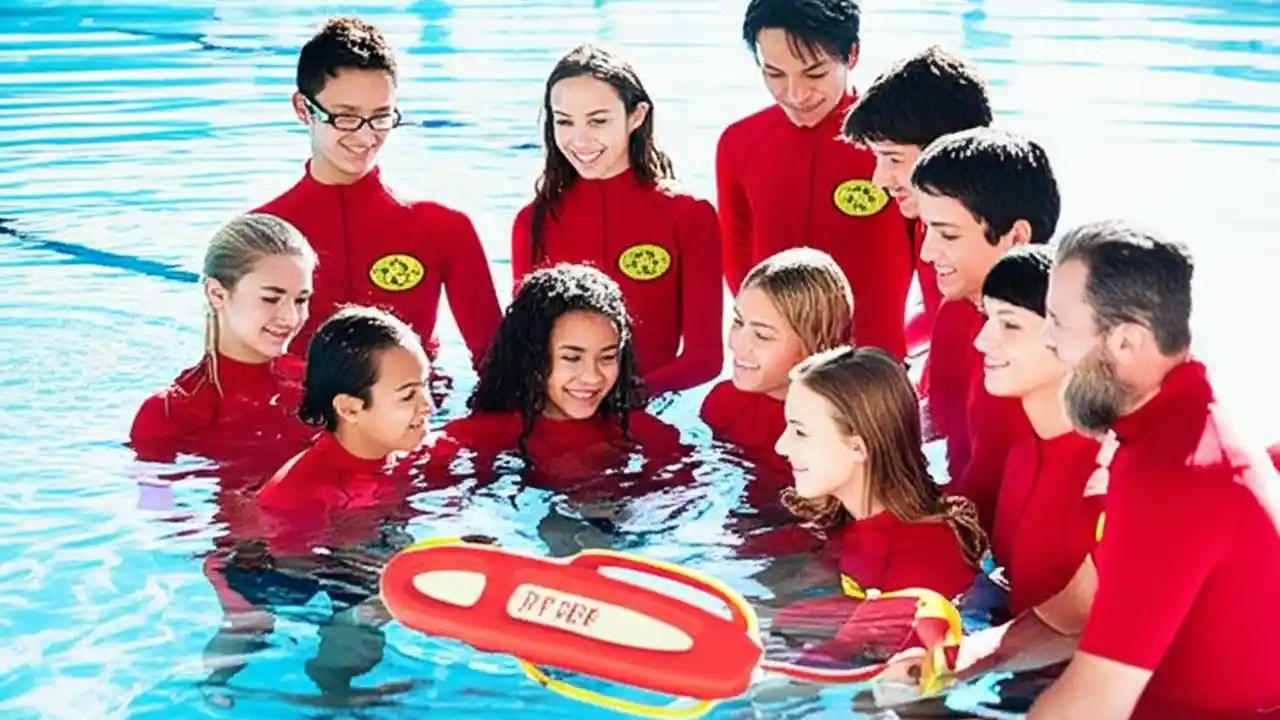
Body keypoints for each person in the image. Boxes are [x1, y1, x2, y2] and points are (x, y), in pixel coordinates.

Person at [1022, 220, 1280, 718]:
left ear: (1125, 343)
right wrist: (954, 663)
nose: (1047, 340)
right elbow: (1073, 610)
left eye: (1057, 321)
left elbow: (1090, 708)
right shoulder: (1176, 428)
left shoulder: (1175, 475)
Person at [254, 16, 500, 366]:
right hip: (298, 418)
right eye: (346, 117)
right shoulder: (259, 237)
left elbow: (498, 371)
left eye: (381, 117)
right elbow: (231, 370)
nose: (367, 137)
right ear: (302, 109)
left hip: (416, 415)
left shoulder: (444, 229)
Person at [511, 44, 722, 397]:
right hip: (563, 409)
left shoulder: (688, 215)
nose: (579, 139)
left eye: (598, 120)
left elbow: (705, 358)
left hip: (650, 407)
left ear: (636, 116)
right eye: (564, 121)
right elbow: (523, 349)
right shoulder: (534, 221)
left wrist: (630, 397)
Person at [717, 0, 913, 360]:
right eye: (775, 74)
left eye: (815, 73)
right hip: (774, 372)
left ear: (851, 54)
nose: (796, 94)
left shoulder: (896, 146)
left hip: (874, 372)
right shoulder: (739, 144)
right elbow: (739, 268)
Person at [910, 127, 1061, 533]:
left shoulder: (1056, 348)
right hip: (965, 527)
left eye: (948, 234)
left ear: (1016, 238)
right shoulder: (956, 313)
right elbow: (935, 426)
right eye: (927, 229)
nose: (926, 253)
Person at [435, 264, 684, 492]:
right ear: (531, 357)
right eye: (572, 358)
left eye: (607, 357)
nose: (592, 377)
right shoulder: (475, 437)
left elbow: (681, 498)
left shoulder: (649, 435)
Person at [775, 346, 987, 601]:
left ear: (858, 447)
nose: (781, 446)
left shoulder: (927, 555)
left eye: (800, 432)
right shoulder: (832, 518)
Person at [842, 44, 993, 378]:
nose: (879, 180)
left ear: (945, 149)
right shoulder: (928, 223)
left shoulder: (988, 242)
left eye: (893, 159)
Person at [975, 246, 1104, 616]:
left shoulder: (1107, 480)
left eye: (1010, 324)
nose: (982, 341)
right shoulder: (1021, 458)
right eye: (987, 319)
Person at [129, 213, 317, 464]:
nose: (290, 318)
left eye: (301, 300)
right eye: (271, 299)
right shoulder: (169, 414)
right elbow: (154, 502)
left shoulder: (324, 388)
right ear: (216, 293)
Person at [256, 305, 432, 512]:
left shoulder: (419, 457)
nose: (427, 406)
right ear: (349, 409)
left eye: (425, 385)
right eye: (408, 395)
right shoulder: (295, 497)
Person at [700, 247, 852, 470]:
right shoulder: (724, 404)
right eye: (738, 322)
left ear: (814, 347)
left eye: (762, 335)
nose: (737, 345)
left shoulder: (843, 427)